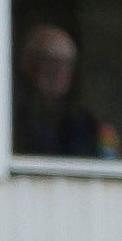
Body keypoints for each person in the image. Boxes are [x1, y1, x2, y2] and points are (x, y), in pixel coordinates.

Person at [10, 21, 103, 159]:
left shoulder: (81, 120)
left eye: (68, 63)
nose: (61, 71)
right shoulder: (10, 112)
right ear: (27, 63)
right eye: (52, 61)